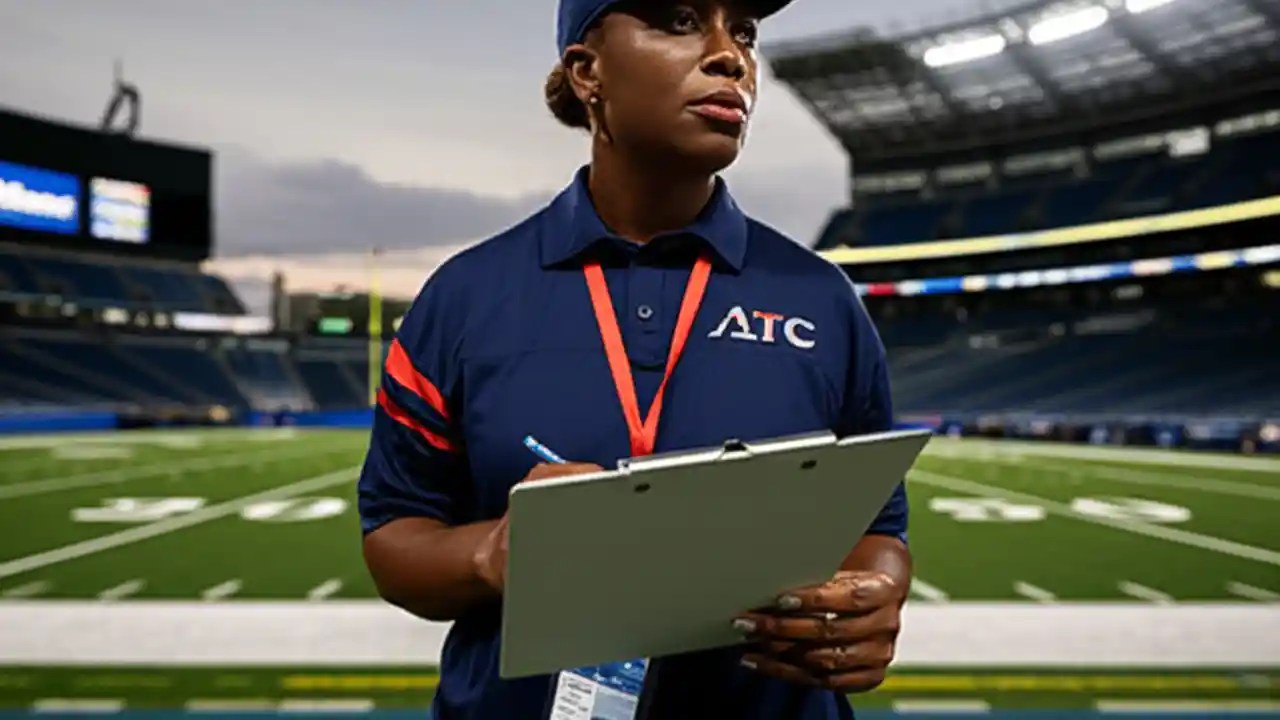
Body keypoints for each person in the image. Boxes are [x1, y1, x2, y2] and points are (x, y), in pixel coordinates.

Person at [357, 0, 912, 717]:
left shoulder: (822, 297)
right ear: (587, 72)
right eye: (680, 20)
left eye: (743, 31)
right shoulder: (466, 295)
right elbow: (395, 536)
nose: (731, 56)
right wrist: (490, 554)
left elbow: (878, 528)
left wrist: (874, 592)